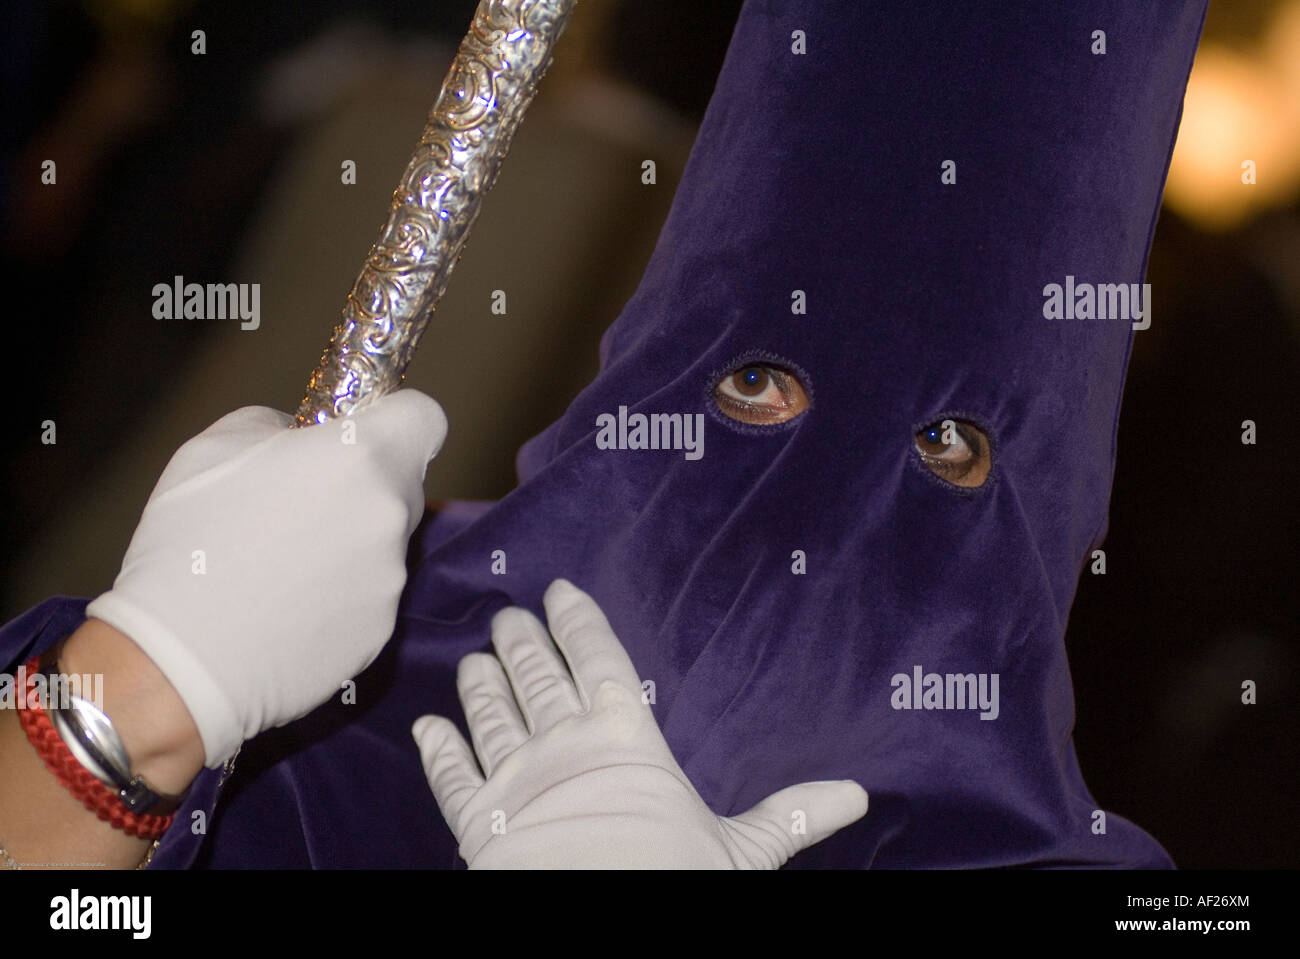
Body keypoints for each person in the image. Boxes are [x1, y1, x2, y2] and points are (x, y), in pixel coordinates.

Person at [0, 0, 1208, 869]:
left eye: (950, 449)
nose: (807, 506)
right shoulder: (323, 703)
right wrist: (139, 698)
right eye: (750, 390)